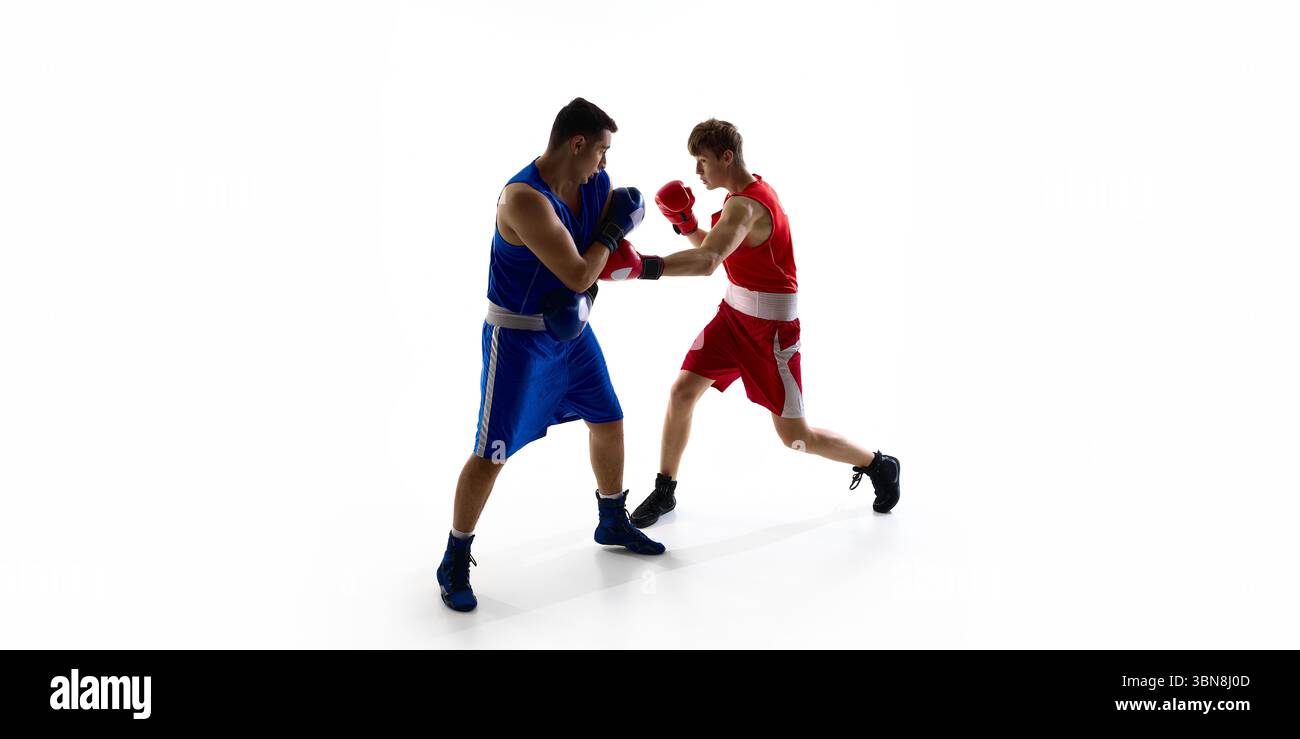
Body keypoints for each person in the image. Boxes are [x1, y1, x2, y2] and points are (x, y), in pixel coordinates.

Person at [597, 118, 901, 528]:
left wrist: (644, 267)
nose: (697, 171)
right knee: (682, 392)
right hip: (732, 318)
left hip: (770, 333)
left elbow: (708, 261)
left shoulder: (746, 205)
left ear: (727, 157)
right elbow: (719, 251)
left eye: (703, 161)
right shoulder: (741, 195)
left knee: (796, 438)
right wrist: (687, 224)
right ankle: (665, 489)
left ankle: (879, 465)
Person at [436, 98, 665, 614]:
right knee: (491, 453)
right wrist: (612, 234)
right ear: (577, 143)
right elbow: (580, 273)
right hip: (517, 340)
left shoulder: (595, 186)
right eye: (601, 151)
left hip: (572, 335)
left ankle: (612, 519)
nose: (604, 164)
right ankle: (454, 557)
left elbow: (596, 268)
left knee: (608, 419)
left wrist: (623, 259)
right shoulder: (523, 200)